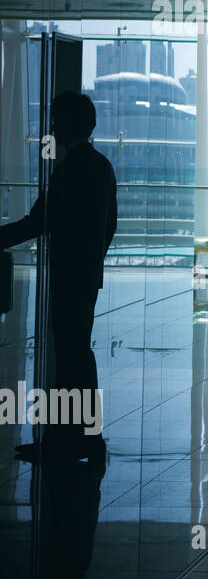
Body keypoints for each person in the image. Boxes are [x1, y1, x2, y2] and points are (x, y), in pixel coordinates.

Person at [0, 92, 116, 462]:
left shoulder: (71, 168)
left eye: (56, 120)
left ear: (69, 124)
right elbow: (109, 224)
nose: (51, 126)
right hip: (85, 274)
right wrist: (93, 260)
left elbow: (40, 220)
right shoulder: (100, 165)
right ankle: (81, 438)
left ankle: (71, 440)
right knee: (77, 354)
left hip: (70, 276)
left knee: (71, 356)